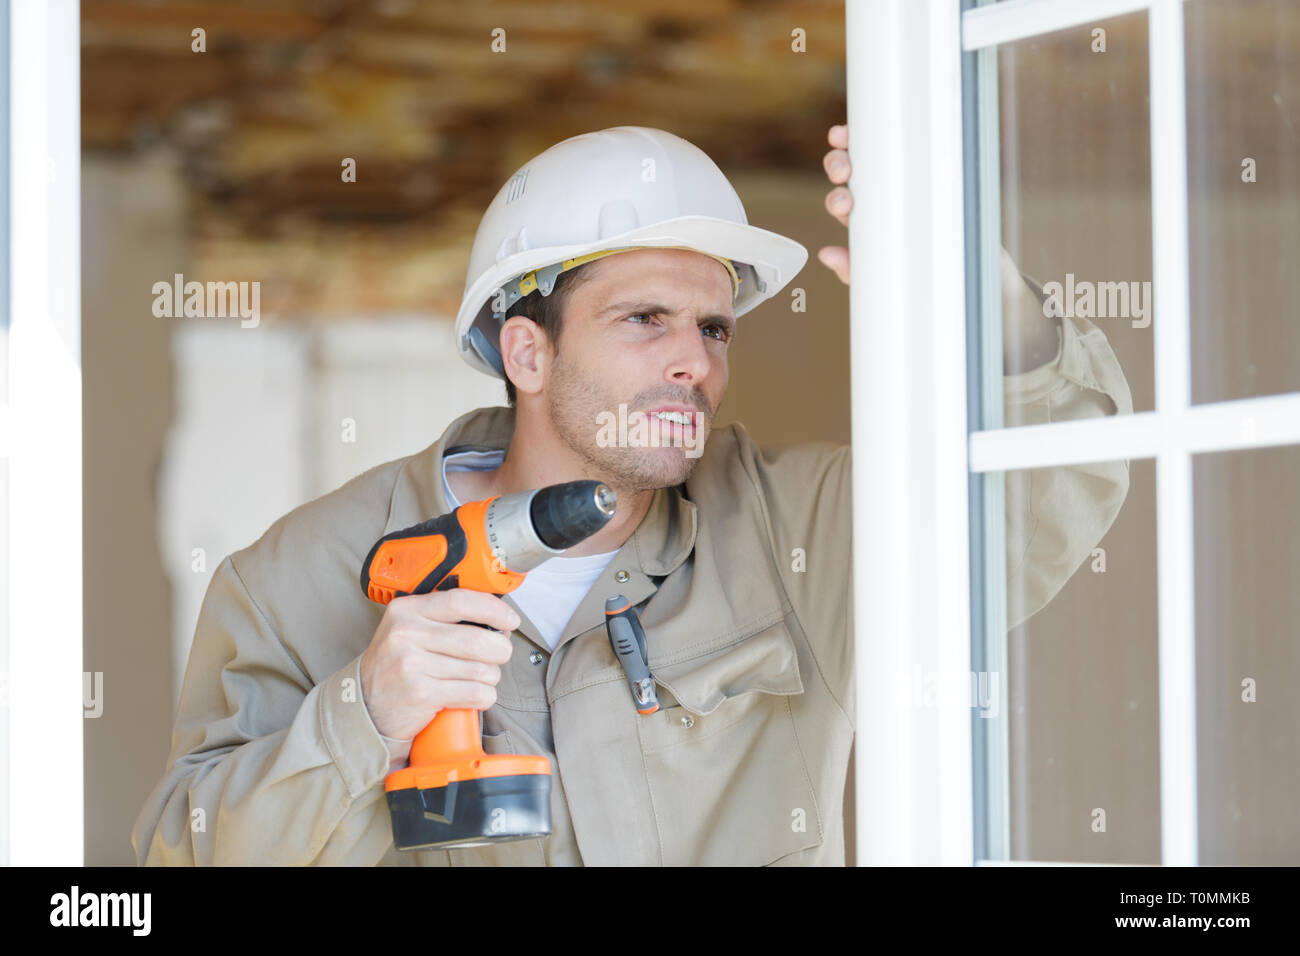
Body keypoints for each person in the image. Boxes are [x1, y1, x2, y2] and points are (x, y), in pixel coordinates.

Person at [132, 124, 1131, 866]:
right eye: (645, 318)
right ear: (527, 350)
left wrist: (984, 290)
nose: (692, 359)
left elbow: (1049, 491)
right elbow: (179, 855)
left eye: (713, 326)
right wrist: (362, 713)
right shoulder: (298, 578)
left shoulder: (795, 535)